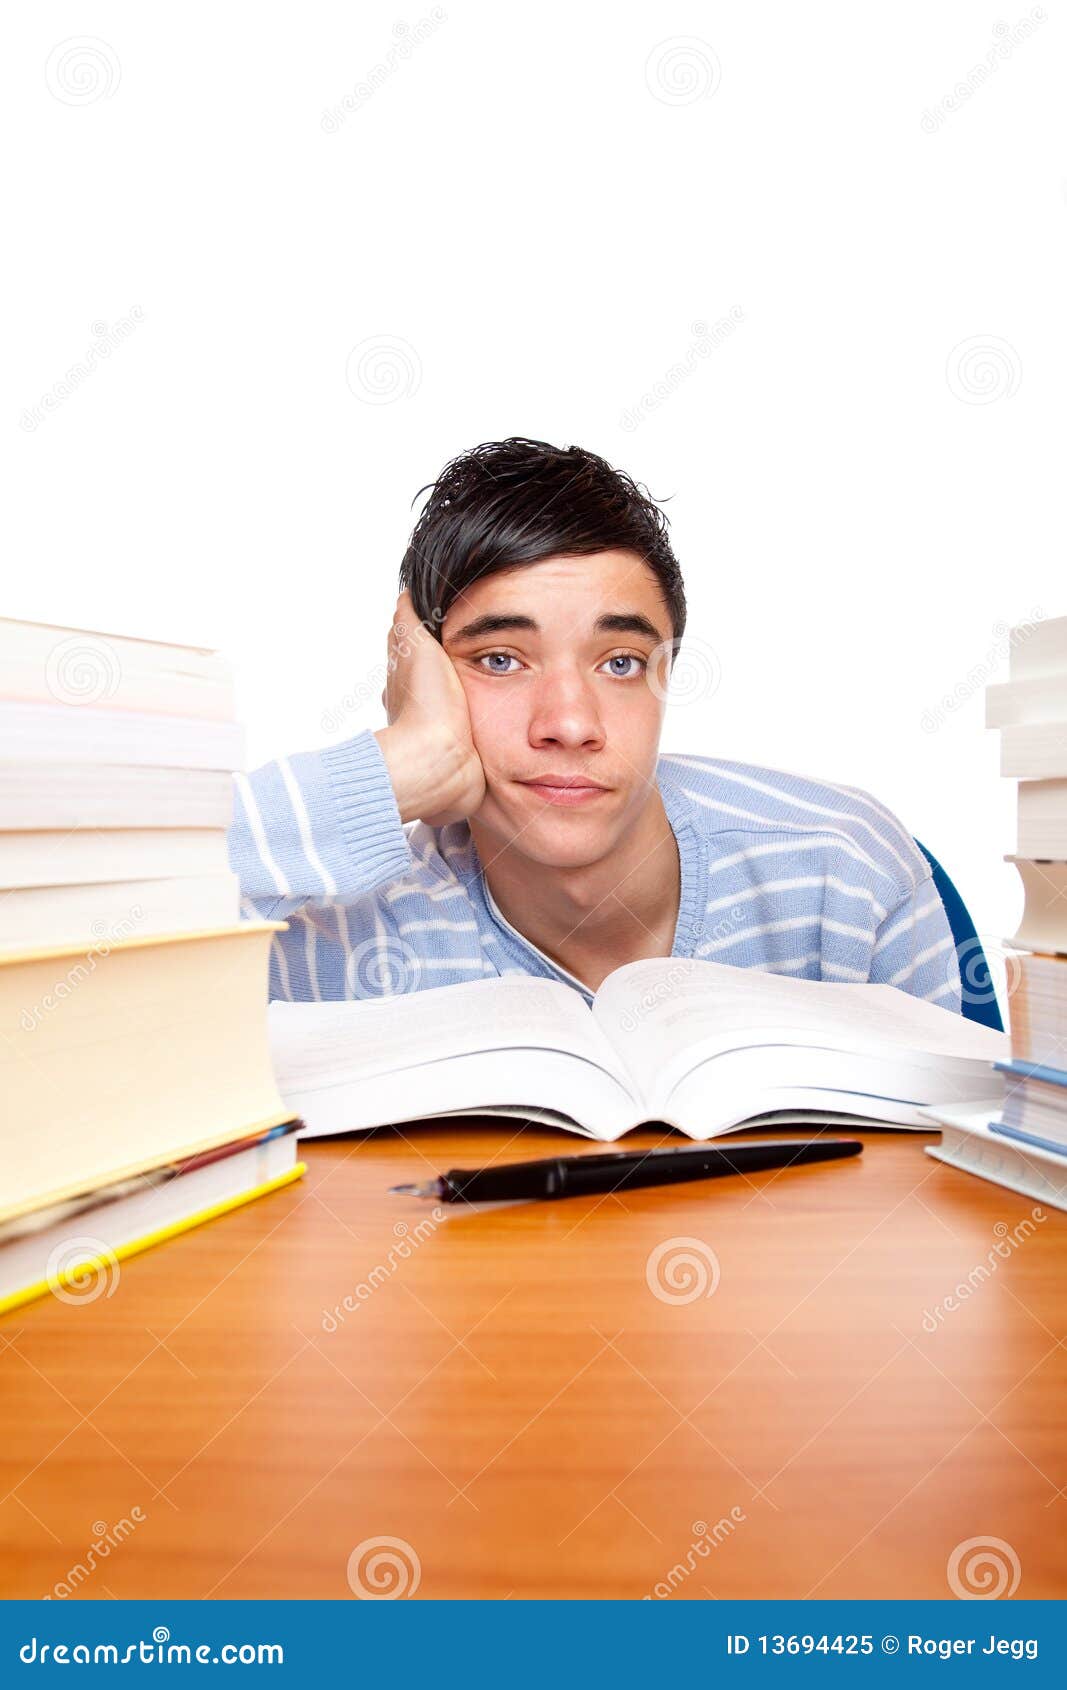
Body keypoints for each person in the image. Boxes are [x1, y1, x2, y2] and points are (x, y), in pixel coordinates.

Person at [228, 437, 963, 1014]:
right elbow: (113, 950)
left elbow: (944, 1179)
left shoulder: (842, 871)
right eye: (500, 660)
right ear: (420, 675)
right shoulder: (337, 928)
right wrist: (390, 772)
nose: (570, 724)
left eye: (618, 664)